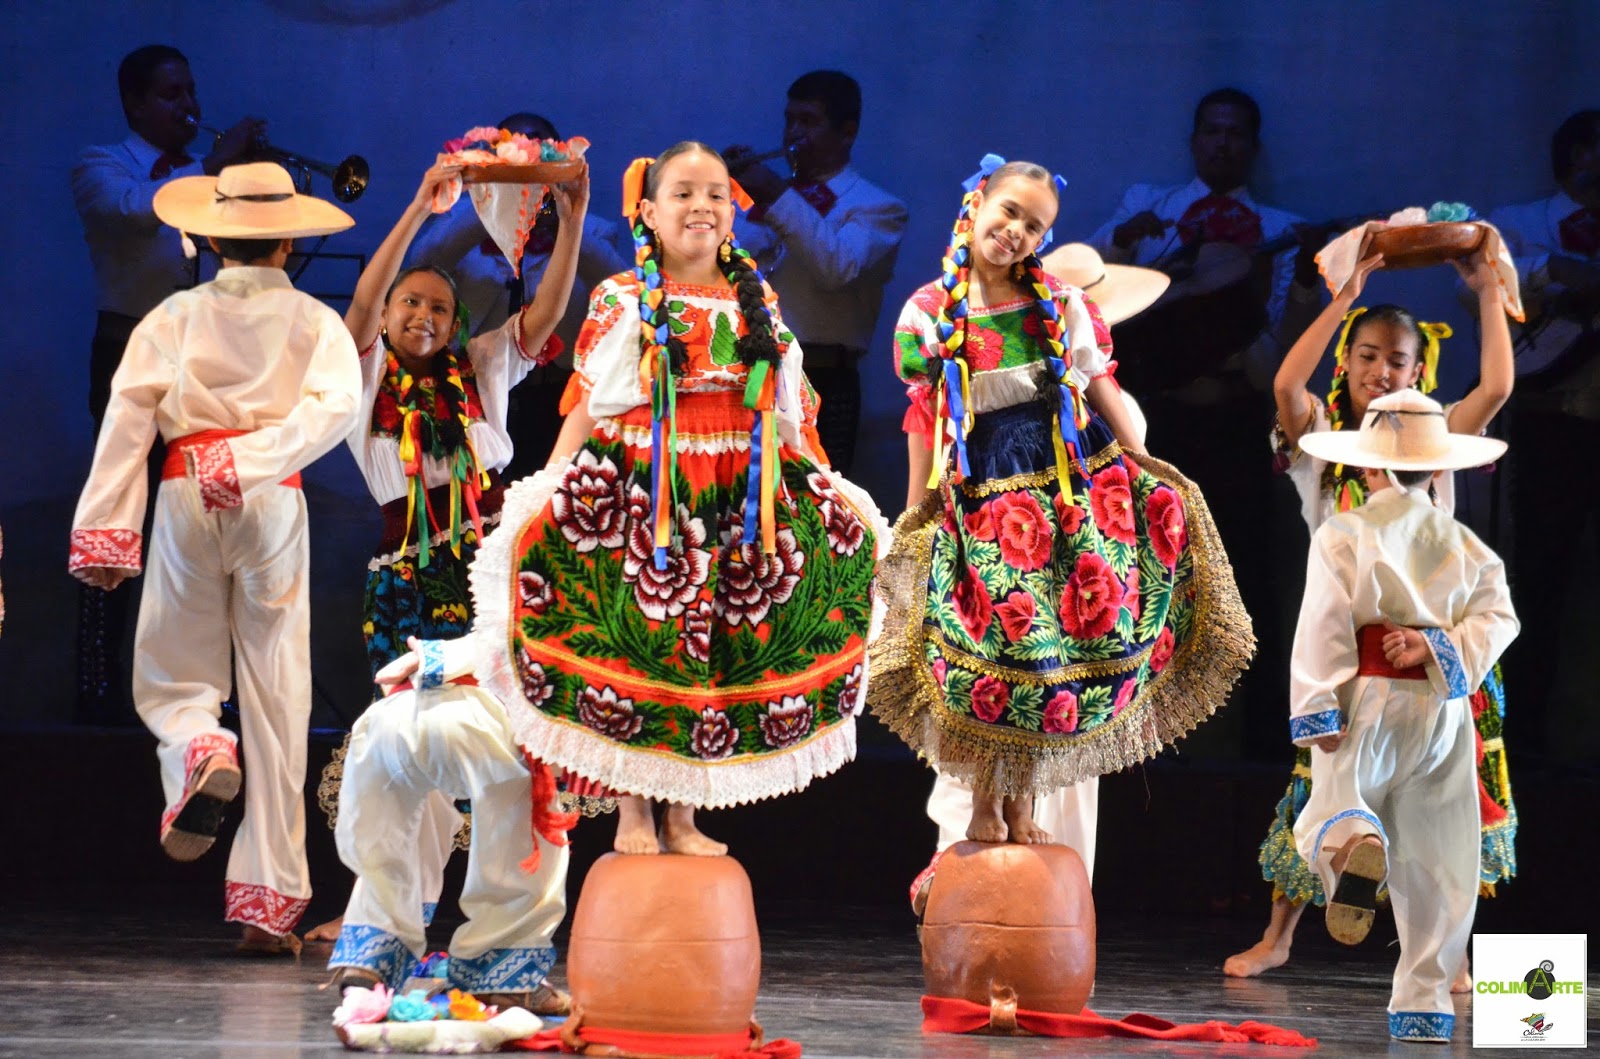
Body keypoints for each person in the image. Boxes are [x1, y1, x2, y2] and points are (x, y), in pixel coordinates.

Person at [466, 142, 887, 856]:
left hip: (737, 494)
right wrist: (553, 481)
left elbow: (790, 410)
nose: (702, 206)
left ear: (733, 212)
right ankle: (633, 811)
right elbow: (590, 402)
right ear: (649, 212)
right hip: (643, 490)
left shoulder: (759, 300)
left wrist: (823, 481)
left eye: (717, 194)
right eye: (684, 193)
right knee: (646, 645)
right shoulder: (622, 296)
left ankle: (685, 815)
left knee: (712, 649)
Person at [871, 158, 1253, 845]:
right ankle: (984, 803)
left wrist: (1141, 458)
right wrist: (915, 507)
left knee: (1054, 650)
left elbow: (1098, 383)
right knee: (998, 643)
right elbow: (924, 416)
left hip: (1063, 490)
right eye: (1009, 211)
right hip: (986, 494)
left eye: (1034, 224)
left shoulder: (1055, 301)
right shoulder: (929, 312)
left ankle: (1023, 808)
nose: (1016, 230)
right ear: (978, 203)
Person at [68, 162, 361, 954]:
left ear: (207, 235)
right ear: (289, 241)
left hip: (187, 485)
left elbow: (128, 415)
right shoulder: (314, 321)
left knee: (173, 672)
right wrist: (255, 459)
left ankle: (198, 741)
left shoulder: (173, 315)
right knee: (279, 694)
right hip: (272, 498)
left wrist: (106, 531)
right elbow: (337, 407)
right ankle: (268, 906)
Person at [305, 160, 588, 947]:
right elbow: (362, 303)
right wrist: (418, 210)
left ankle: (506, 920)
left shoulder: (483, 369)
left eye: (438, 306)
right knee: (405, 742)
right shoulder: (363, 377)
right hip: (403, 580)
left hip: (485, 576)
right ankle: (391, 911)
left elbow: (546, 312)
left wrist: (571, 218)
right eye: (410, 302)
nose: (422, 315)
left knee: (502, 740)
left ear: (457, 322)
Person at [1226, 234, 1516, 983]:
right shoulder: (1324, 450)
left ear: (1418, 372)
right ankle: (1281, 934)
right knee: (1323, 787)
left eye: (1397, 359)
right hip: (1351, 662)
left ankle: (1451, 956)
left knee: (1445, 806)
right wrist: (1342, 301)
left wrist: (1489, 292)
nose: (1381, 369)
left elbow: (1495, 389)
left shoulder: (1434, 443)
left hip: (1443, 662)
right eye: (1367, 354)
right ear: (1346, 361)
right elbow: (1287, 384)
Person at [912, 243, 1171, 906]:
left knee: (1057, 695)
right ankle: (961, 870)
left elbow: (1129, 460)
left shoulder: (1103, 400)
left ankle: (1045, 890)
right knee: (988, 667)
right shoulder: (980, 361)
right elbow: (933, 424)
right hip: (996, 523)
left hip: (1072, 551)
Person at [1088, 89, 1328, 761]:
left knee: (1250, 572)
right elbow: (1091, 289)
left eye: (1236, 134)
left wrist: (1305, 281)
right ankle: (1138, 739)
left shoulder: (1281, 225)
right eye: (1212, 132)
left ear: (1253, 147)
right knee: (1148, 572)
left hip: (1240, 417)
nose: (1223, 144)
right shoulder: (1150, 206)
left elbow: (1290, 333)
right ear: (1194, 140)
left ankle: (1262, 744)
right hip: (1158, 418)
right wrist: (1122, 242)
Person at [1288, 389, 1517, 1044]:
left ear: (1367, 465)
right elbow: (1500, 617)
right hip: (1443, 709)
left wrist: (1316, 708)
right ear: (1437, 468)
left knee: (1332, 808)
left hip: (1371, 695)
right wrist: (1437, 646)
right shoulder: (1465, 542)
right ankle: (1425, 1005)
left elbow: (1325, 625)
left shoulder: (1344, 532)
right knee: (1439, 849)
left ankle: (1355, 844)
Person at [71, 44, 265, 723]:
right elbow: (131, 210)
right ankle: (97, 689)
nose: (190, 106)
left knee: (210, 525)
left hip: (206, 359)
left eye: (191, 90)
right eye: (171, 93)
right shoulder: (100, 164)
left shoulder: (210, 175)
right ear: (134, 102)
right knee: (119, 514)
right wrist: (212, 171)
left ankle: (206, 692)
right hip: (128, 349)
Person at [326, 635, 574, 1014]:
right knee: (523, 835)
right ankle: (503, 980)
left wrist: (434, 658)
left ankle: (367, 964)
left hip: (388, 718)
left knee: (386, 841)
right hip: (473, 719)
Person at [410, 112, 628, 479]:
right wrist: (495, 204)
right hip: (479, 387)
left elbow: (620, 287)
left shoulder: (590, 230)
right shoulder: (465, 223)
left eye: (539, 149)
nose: (527, 162)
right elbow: (422, 265)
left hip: (556, 392)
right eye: (514, 147)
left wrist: (563, 222)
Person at [726, 70, 908, 473]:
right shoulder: (764, 199)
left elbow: (836, 269)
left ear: (847, 132)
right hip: (748, 371)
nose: (793, 133)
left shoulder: (879, 207)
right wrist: (722, 195)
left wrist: (775, 194)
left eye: (807, 121)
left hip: (823, 378)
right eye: (789, 120)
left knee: (818, 501)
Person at [1486, 109, 1600, 749]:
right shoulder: (1521, 222)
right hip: (1550, 426)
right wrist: (1553, 271)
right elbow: (1477, 294)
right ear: (1575, 156)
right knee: (1539, 582)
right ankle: (1524, 747)